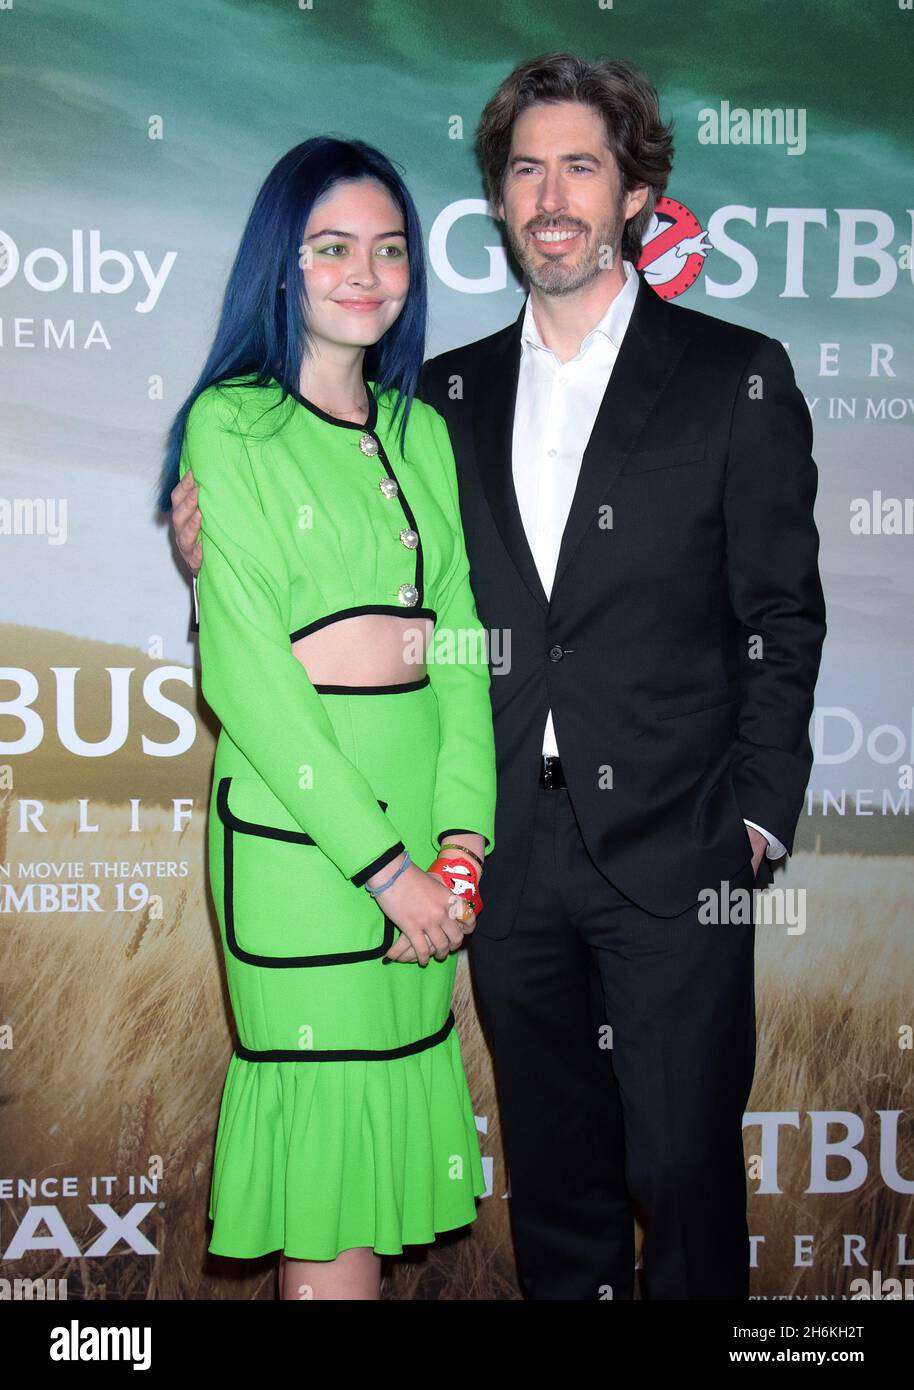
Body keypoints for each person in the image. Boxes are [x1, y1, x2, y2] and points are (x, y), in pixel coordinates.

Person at [173, 54, 827, 1300]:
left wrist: (751, 818)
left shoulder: (732, 372)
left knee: (684, 1177)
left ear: (636, 191)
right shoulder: (442, 399)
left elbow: (779, 616)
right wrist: (212, 542)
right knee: (557, 1186)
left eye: (581, 164)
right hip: (503, 856)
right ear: (498, 197)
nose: (550, 194)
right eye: (525, 168)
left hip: (675, 852)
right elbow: (382, 566)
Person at [159, 136, 496, 1301]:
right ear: (282, 266)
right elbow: (247, 681)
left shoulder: (425, 432)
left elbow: (459, 651)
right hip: (312, 863)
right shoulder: (231, 426)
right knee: (327, 1194)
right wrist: (388, 868)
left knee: (370, 1184)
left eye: (390, 248)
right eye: (333, 247)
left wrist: (459, 852)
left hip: (425, 873)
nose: (368, 271)